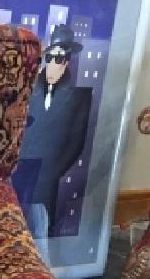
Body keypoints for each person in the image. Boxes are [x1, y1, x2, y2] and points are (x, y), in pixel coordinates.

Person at [14, 24, 92, 240]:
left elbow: (76, 142)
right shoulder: (29, 90)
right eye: (50, 58)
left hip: (47, 174)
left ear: (67, 61)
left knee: (41, 227)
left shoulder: (78, 98)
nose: (52, 65)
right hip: (21, 169)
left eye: (59, 60)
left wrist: (53, 170)